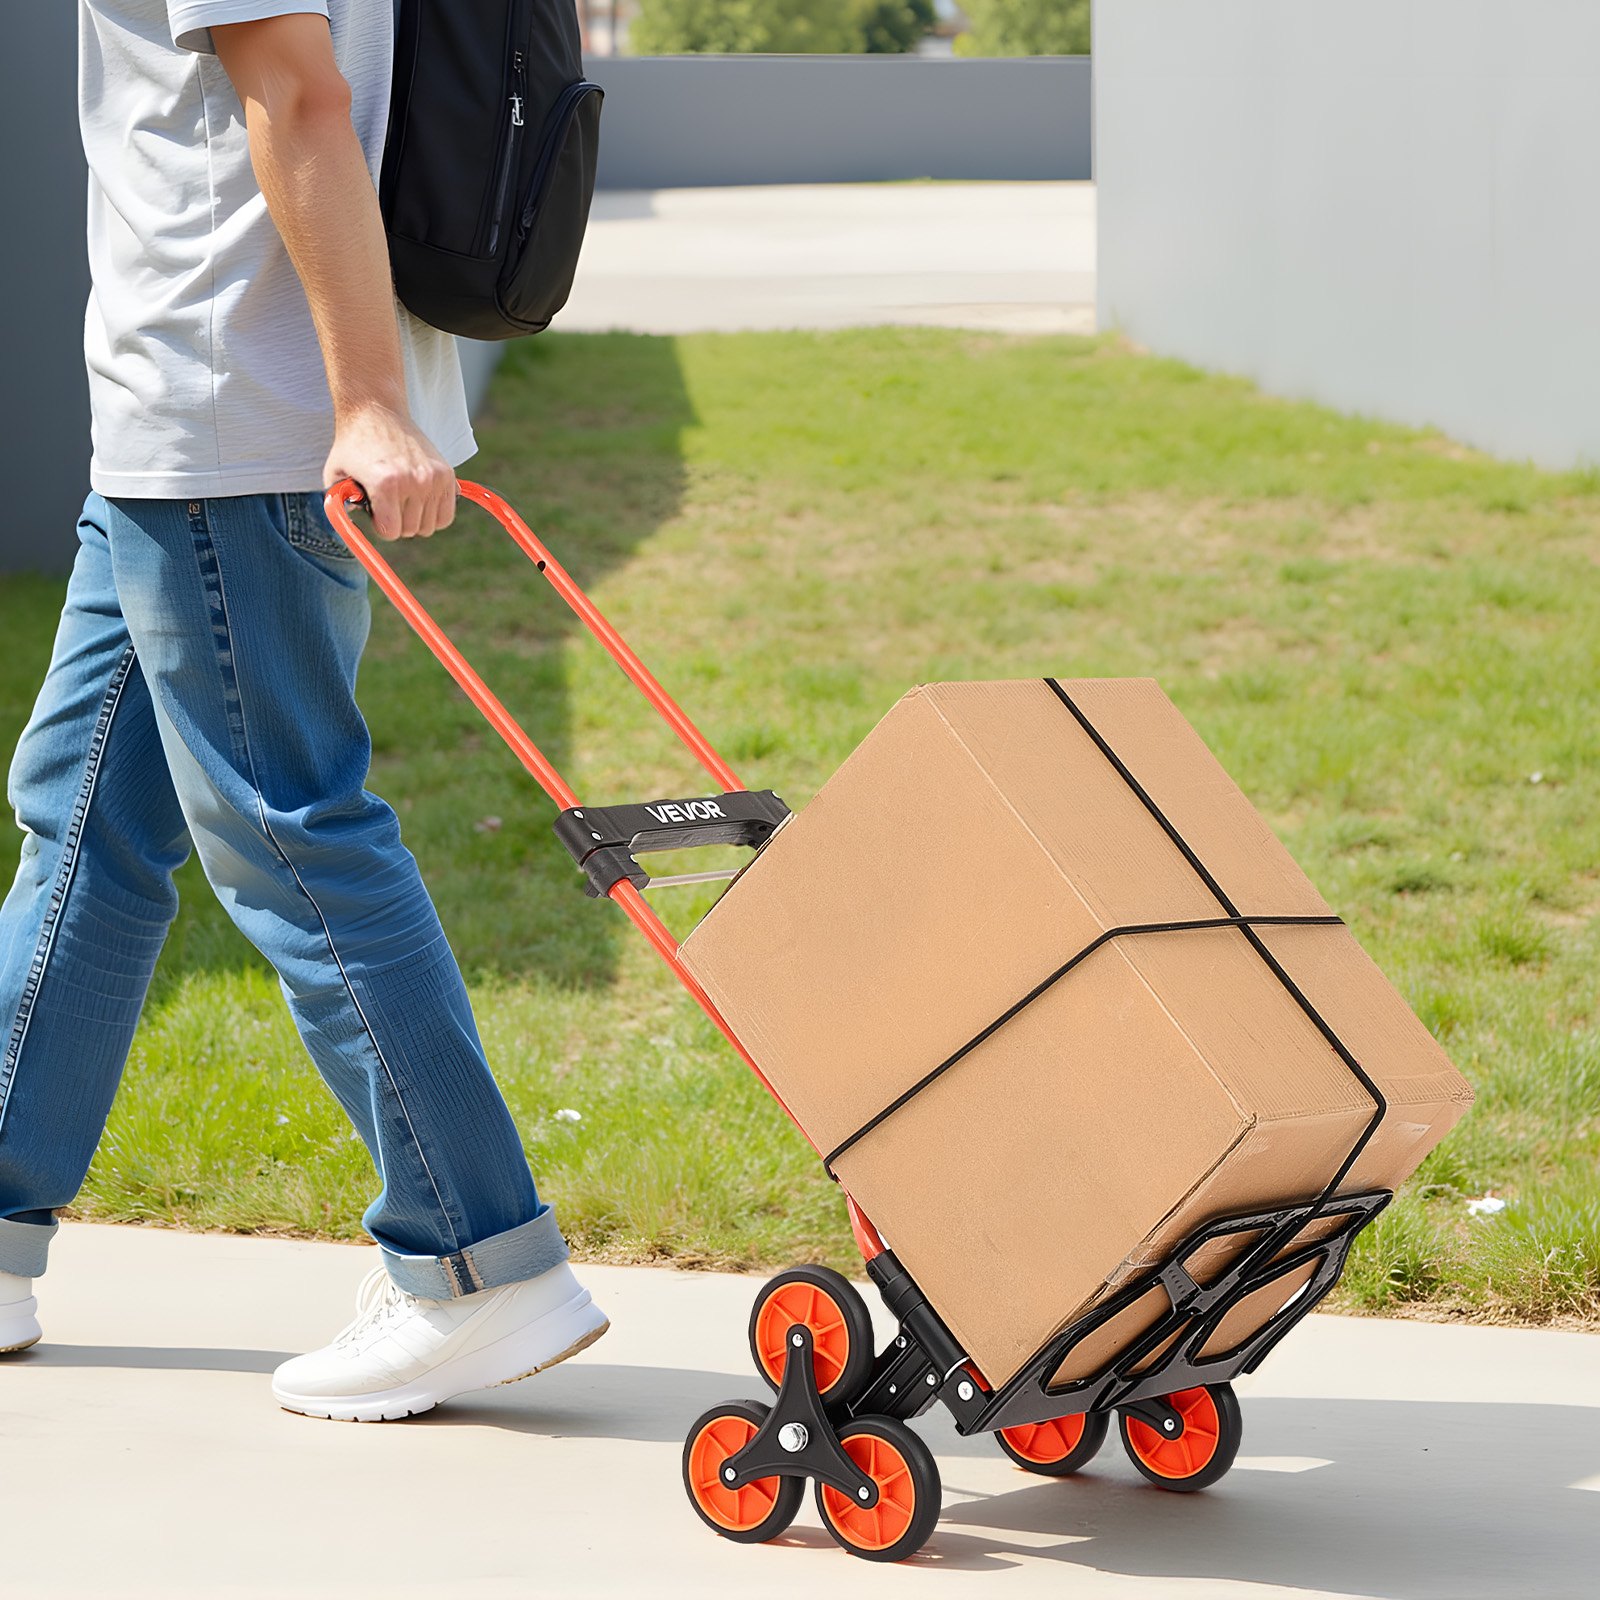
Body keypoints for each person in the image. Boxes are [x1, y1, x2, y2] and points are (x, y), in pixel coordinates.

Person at [0, 1, 608, 1422]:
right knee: (82, 827)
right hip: (185, 420)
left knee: (296, 834)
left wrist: (367, 403)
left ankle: (479, 1267)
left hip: (236, 419)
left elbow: (300, 95)